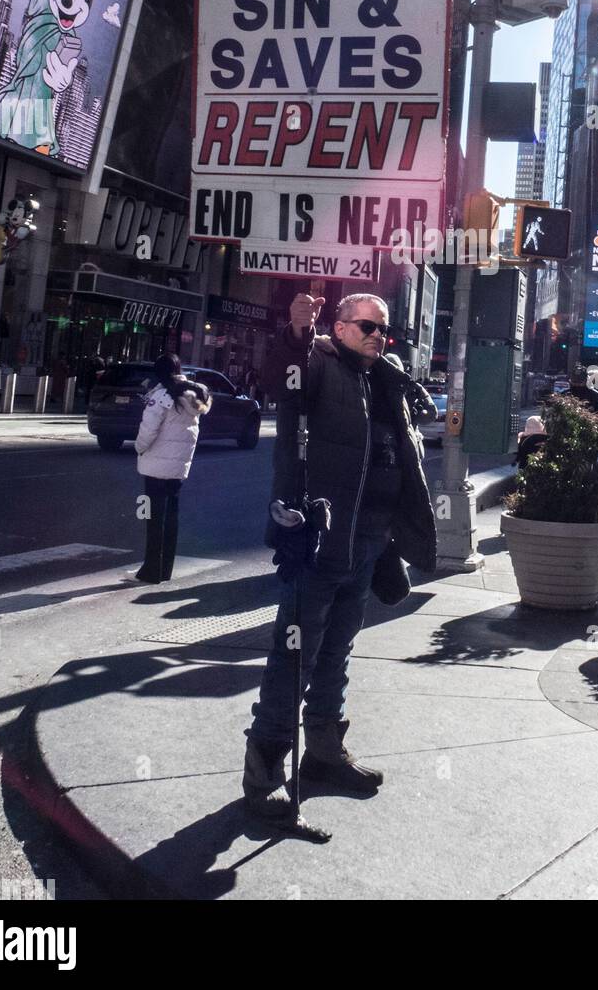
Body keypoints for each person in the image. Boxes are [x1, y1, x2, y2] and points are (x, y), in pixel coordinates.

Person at [244, 292, 437, 812]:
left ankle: (324, 752)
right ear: (341, 326)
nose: (377, 335)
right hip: (322, 540)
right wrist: (296, 332)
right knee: (296, 653)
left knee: (337, 653)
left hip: (369, 542)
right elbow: (281, 381)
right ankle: (264, 773)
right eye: (367, 326)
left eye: (384, 328)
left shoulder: (384, 377)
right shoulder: (318, 363)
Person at [133, 353, 211, 584]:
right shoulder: (190, 397)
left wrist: (139, 448)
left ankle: (150, 570)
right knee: (171, 517)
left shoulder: (161, 396)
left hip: (155, 466)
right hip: (177, 467)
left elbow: (148, 430)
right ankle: (165, 568)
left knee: (152, 518)